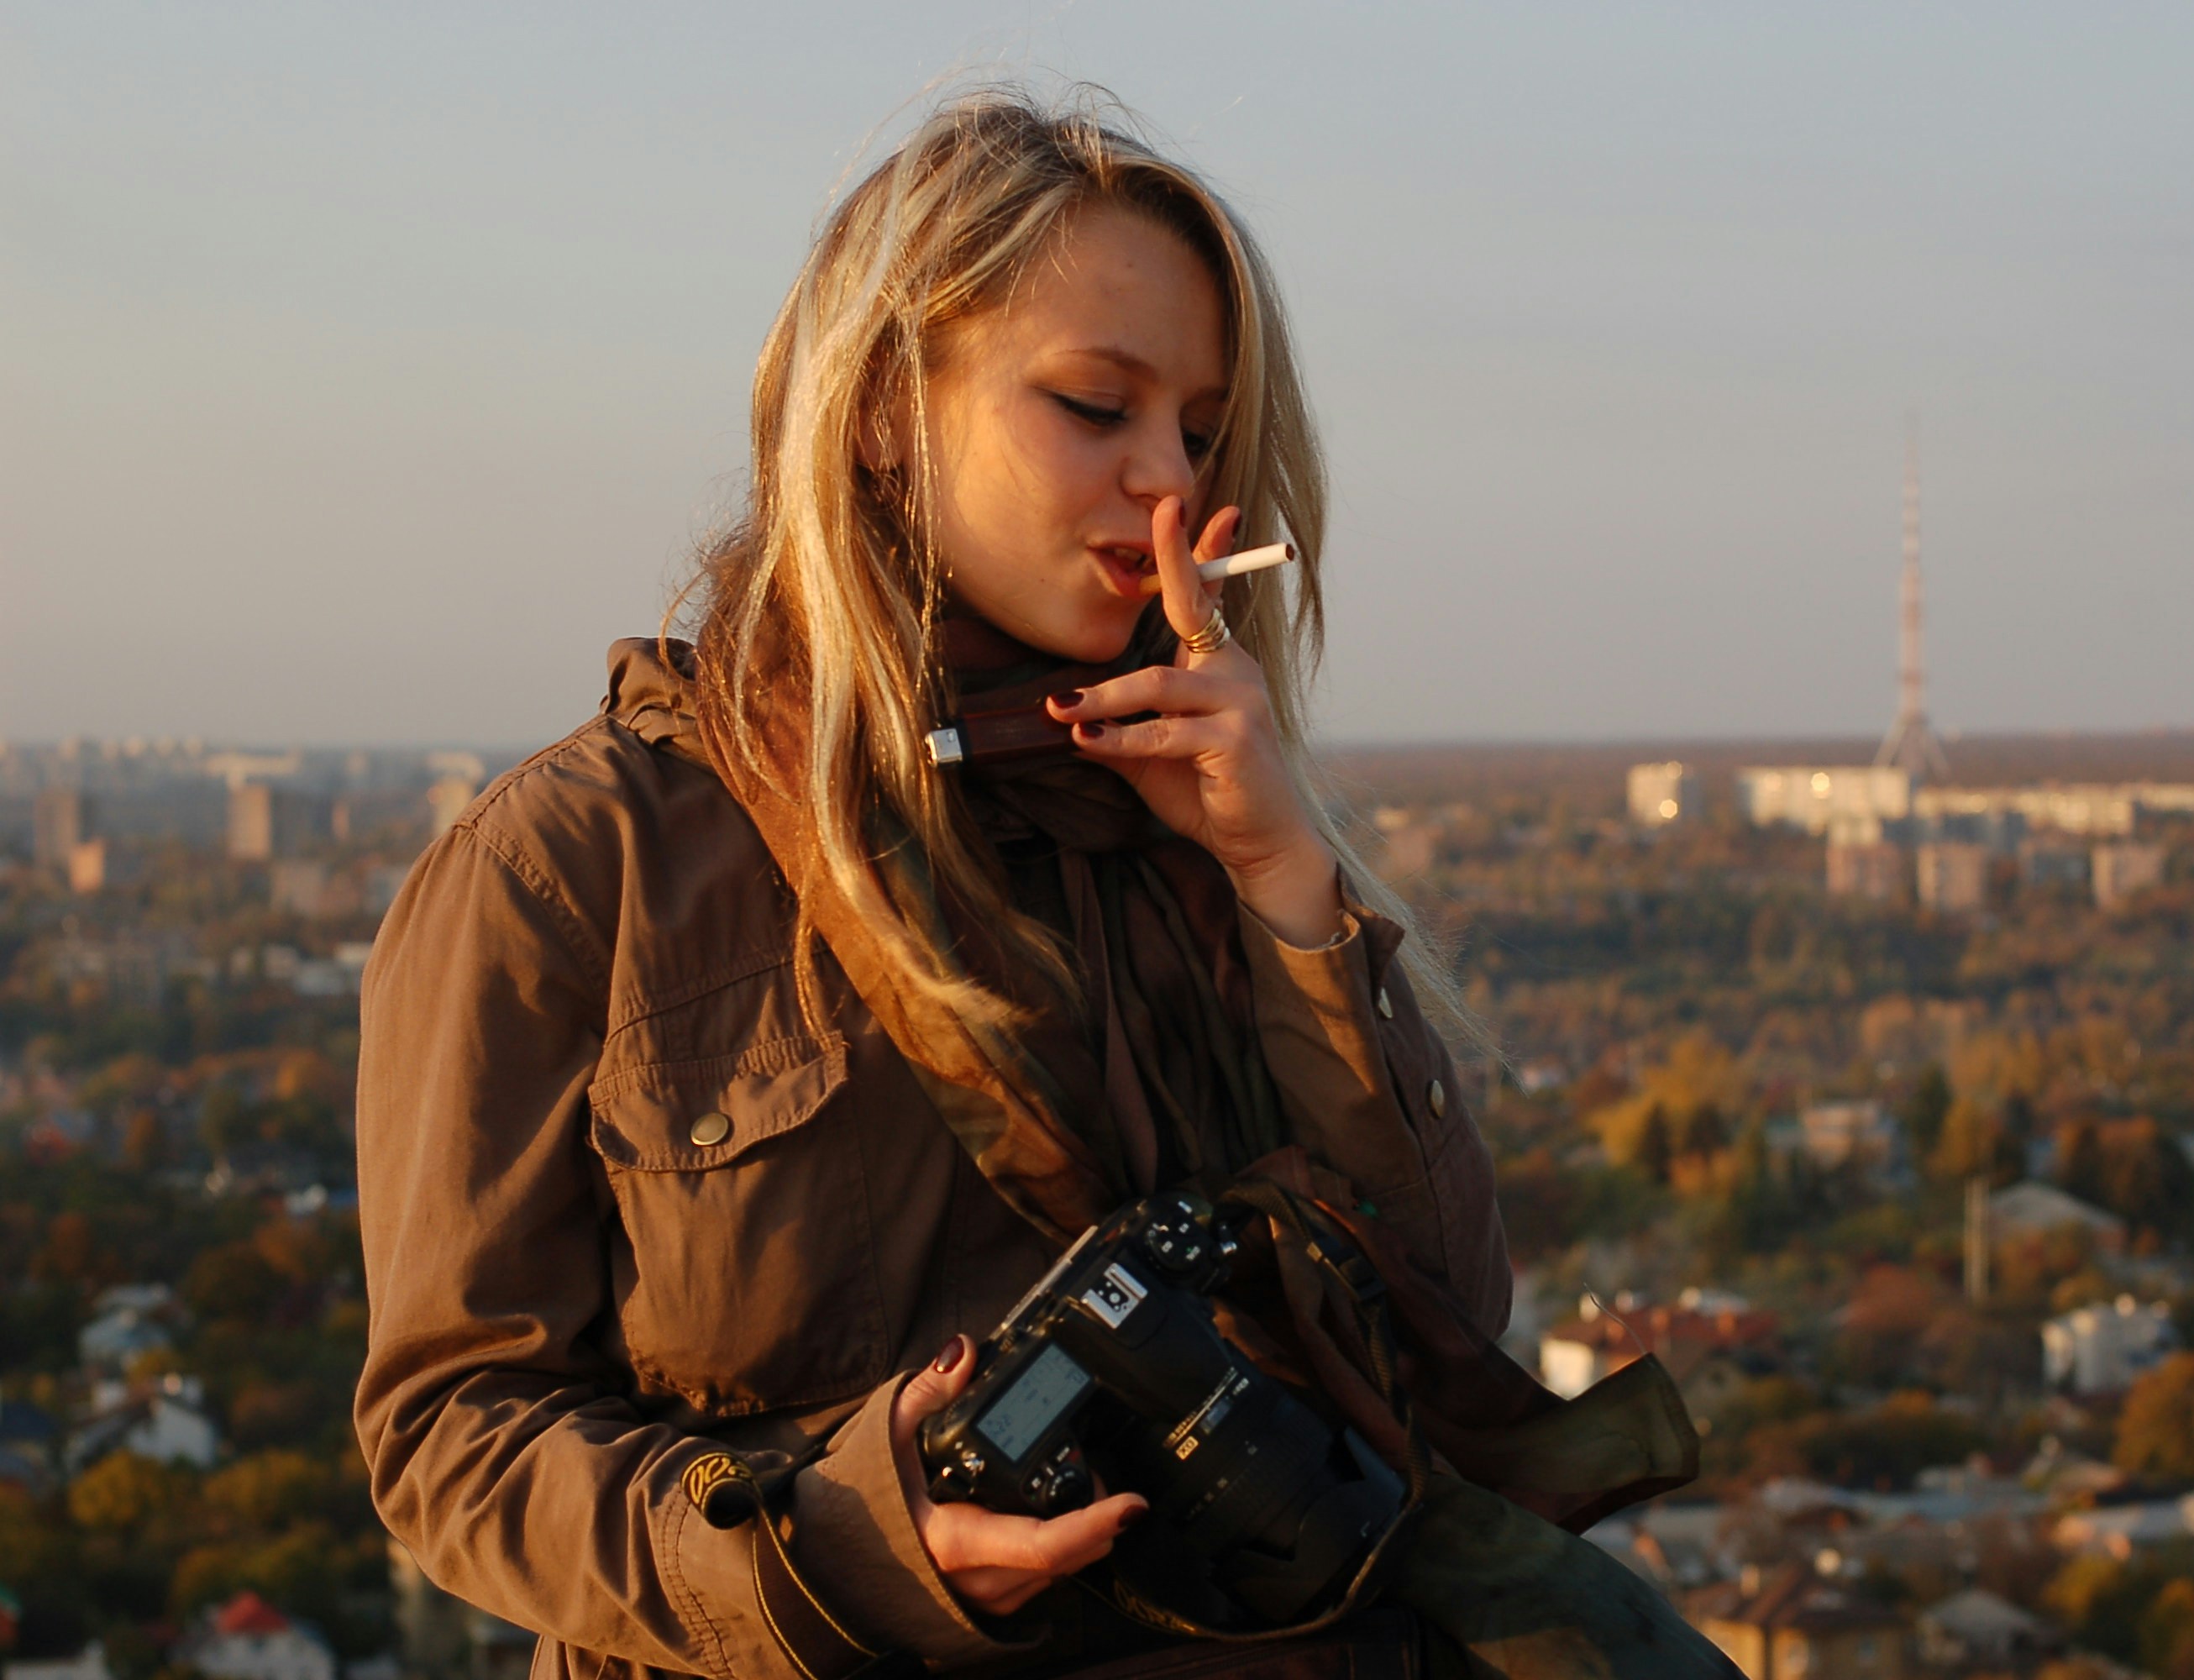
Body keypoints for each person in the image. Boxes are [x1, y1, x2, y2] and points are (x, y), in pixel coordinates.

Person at [355, 87, 1729, 1680]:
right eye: (1095, 406)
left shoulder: (1195, 812)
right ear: (879, 409)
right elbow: (452, 1437)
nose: (1168, 493)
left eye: (1202, 434)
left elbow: (1443, 1308)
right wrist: (839, 1549)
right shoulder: (576, 869)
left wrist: (1287, 888)